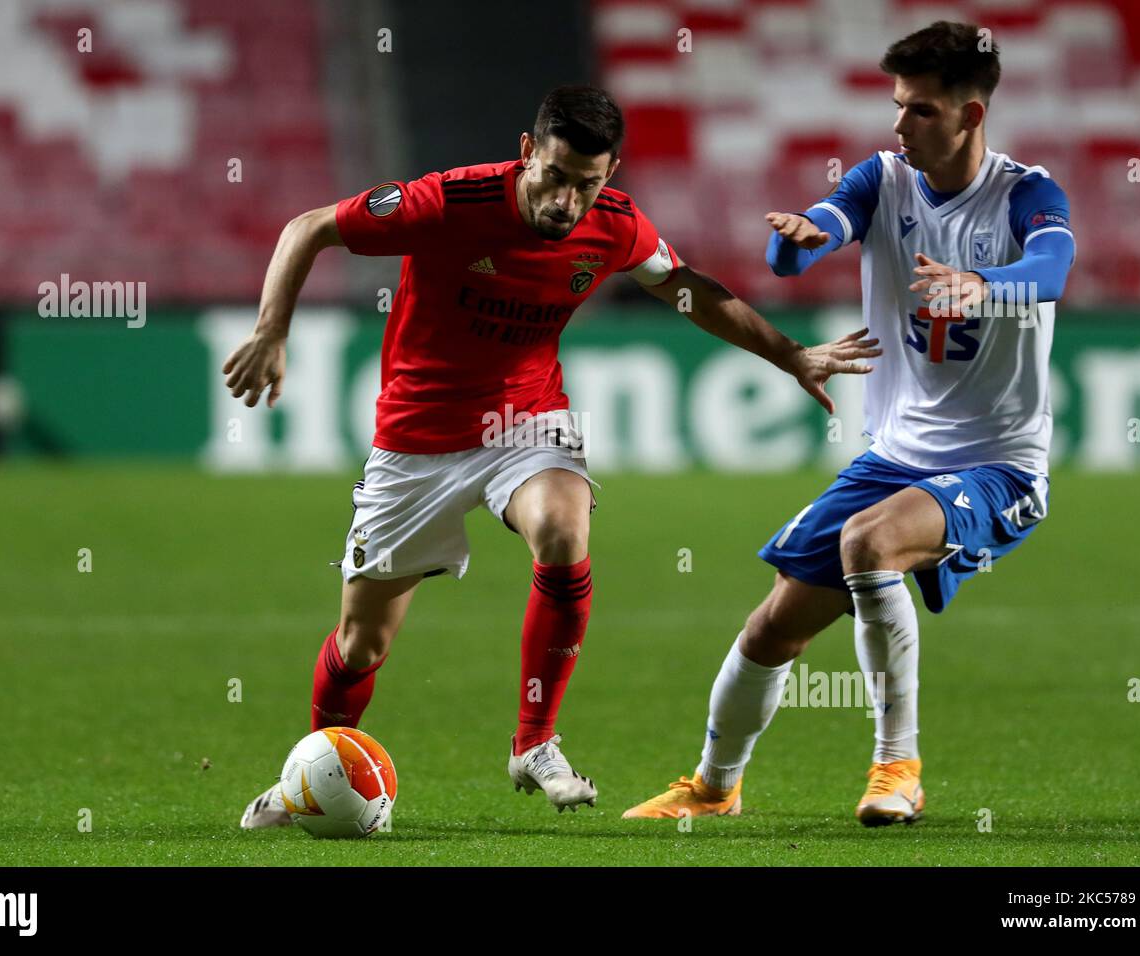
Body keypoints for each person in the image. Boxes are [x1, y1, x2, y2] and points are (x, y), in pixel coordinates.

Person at [227, 85, 878, 827]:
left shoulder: (617, 226)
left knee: (565, 530)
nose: (568, 201)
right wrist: (272, 329)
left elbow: (689, 290)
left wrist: (793, 356)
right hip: (416, 438)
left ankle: (534, 739)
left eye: (587, 184)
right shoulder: (449, 202)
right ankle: (314, 773)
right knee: (362, 639)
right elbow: (307, 227)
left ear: (611, 174)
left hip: (526, 421)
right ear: (528, 150)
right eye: (556, 177)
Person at [624, 21, 1074, 826]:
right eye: (897, 106)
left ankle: (897, 767)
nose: (899, 126)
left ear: (972, 116)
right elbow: (813, 236)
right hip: (896, 456)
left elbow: (1052, 268)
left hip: (999, 466)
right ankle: (714, 788)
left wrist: (985, 284)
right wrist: (801, 240)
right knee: (771, 629)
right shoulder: (885, 179)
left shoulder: (1026, 193)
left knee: (869, 543)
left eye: (921, 111)